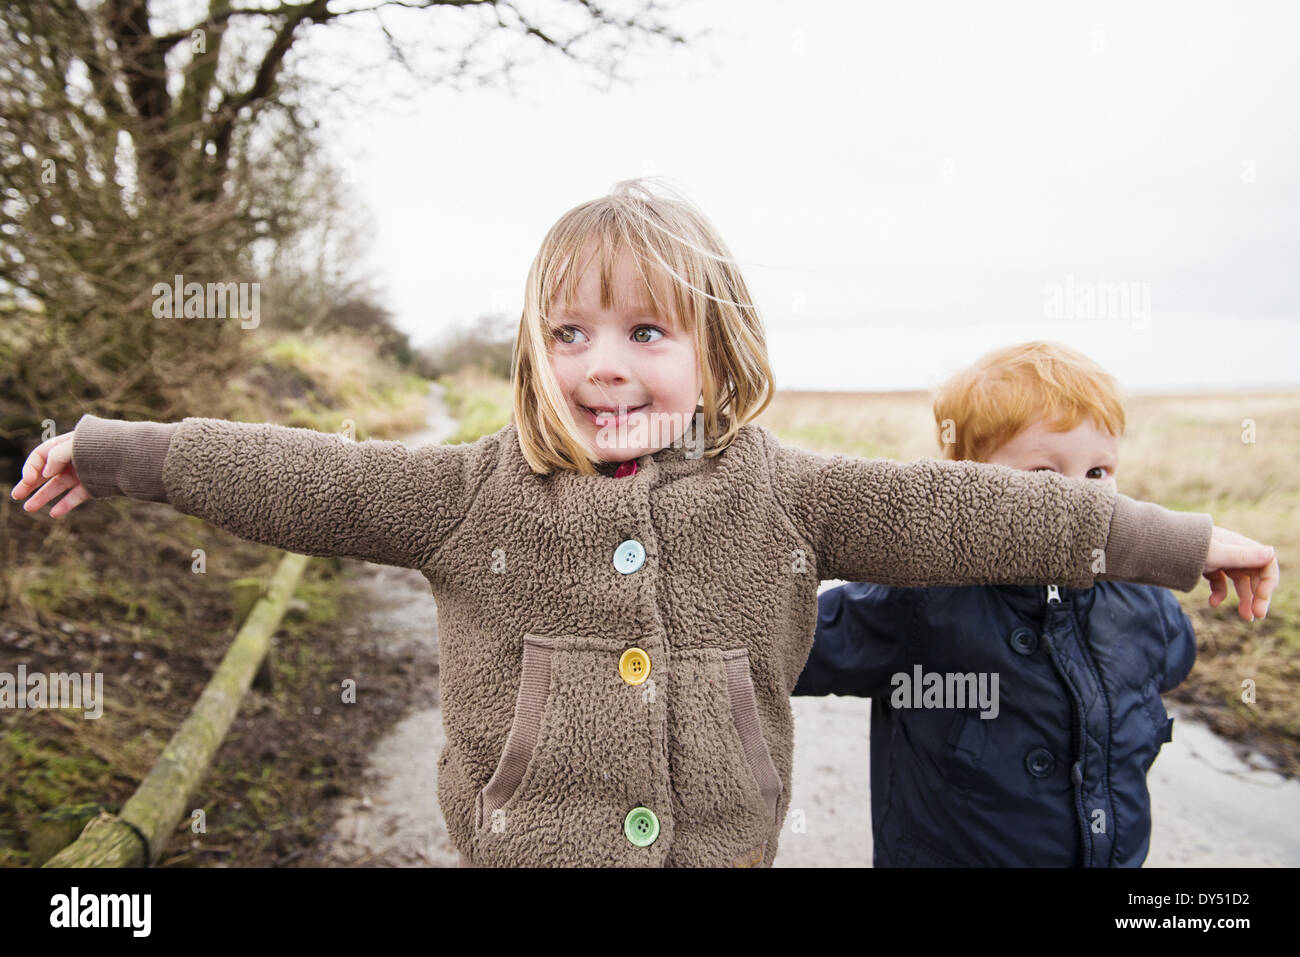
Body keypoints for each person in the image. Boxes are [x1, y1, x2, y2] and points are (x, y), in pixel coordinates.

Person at [12, 182, 1277, 868]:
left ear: (718, 353)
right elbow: (300, 475)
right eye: (568, 333)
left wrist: (1176, 542)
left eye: (644, 331)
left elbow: (979, 510)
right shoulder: (468, 496)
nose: (601, 365)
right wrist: (121, 452)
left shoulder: (791, 495)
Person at [792, 341, 1245, 866]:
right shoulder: (917, 601)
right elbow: (781, 647)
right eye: (1045, 479)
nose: (1082, 502)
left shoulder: (1140, 599)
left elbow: (1170, 659)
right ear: (964, 484)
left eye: (1097, 474)